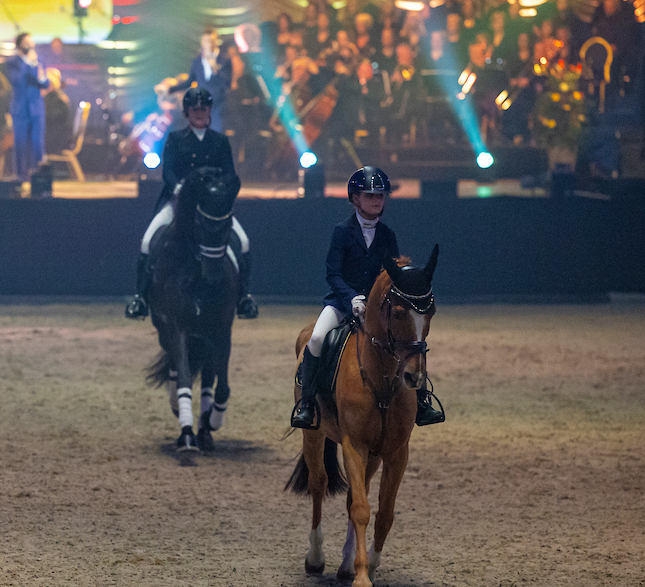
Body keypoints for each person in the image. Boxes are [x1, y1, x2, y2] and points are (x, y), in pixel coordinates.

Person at [290, 166, 444, 430]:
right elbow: (333, 273)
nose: (376, 200)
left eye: (381, 195)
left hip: (377, 307)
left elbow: (394, 272)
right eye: (370, 195)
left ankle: (422, 400)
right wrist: (352, 298)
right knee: (316, 339)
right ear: (355, 198)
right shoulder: (342, 231)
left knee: (408, 339)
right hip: (341, 302)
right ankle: (307, 404)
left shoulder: (387, 234)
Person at [126, 86, 258, 321]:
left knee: (244, 242)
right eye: (195, 109)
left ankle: (244, 297)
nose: (199, 113)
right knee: (148, 241)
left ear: (209, 111)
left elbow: (229, 173)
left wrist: (221, 191)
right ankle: (141, 297)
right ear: (187, 112)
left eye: (203, 109)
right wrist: (180, 189)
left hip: (212, 206)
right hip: (179, 202)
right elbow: (168, 172)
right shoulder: (176, 139)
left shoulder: (219, 141)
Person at [2, 33, 49, 181]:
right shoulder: (13, 62)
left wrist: (39, 72)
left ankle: (38, 177)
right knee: (20, 144)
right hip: (20, 109)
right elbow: (17, 81)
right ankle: (20, 177)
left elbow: (45, 84)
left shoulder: (37, 61)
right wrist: (27, 63)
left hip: (36, 108)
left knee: (37, 143)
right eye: (27, 42)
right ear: (20, 44)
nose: (31, 44)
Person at [169, 28, 232, 130]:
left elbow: (227, 82)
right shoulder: (197, 61)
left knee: (216, 134)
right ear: (202, 42)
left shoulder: (224, 59)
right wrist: (171, 89)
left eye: (211, 41)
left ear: (216, 41)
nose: (209, 44)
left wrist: (215, 69)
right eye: (206, 41)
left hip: (218, 106)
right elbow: (190, 81)